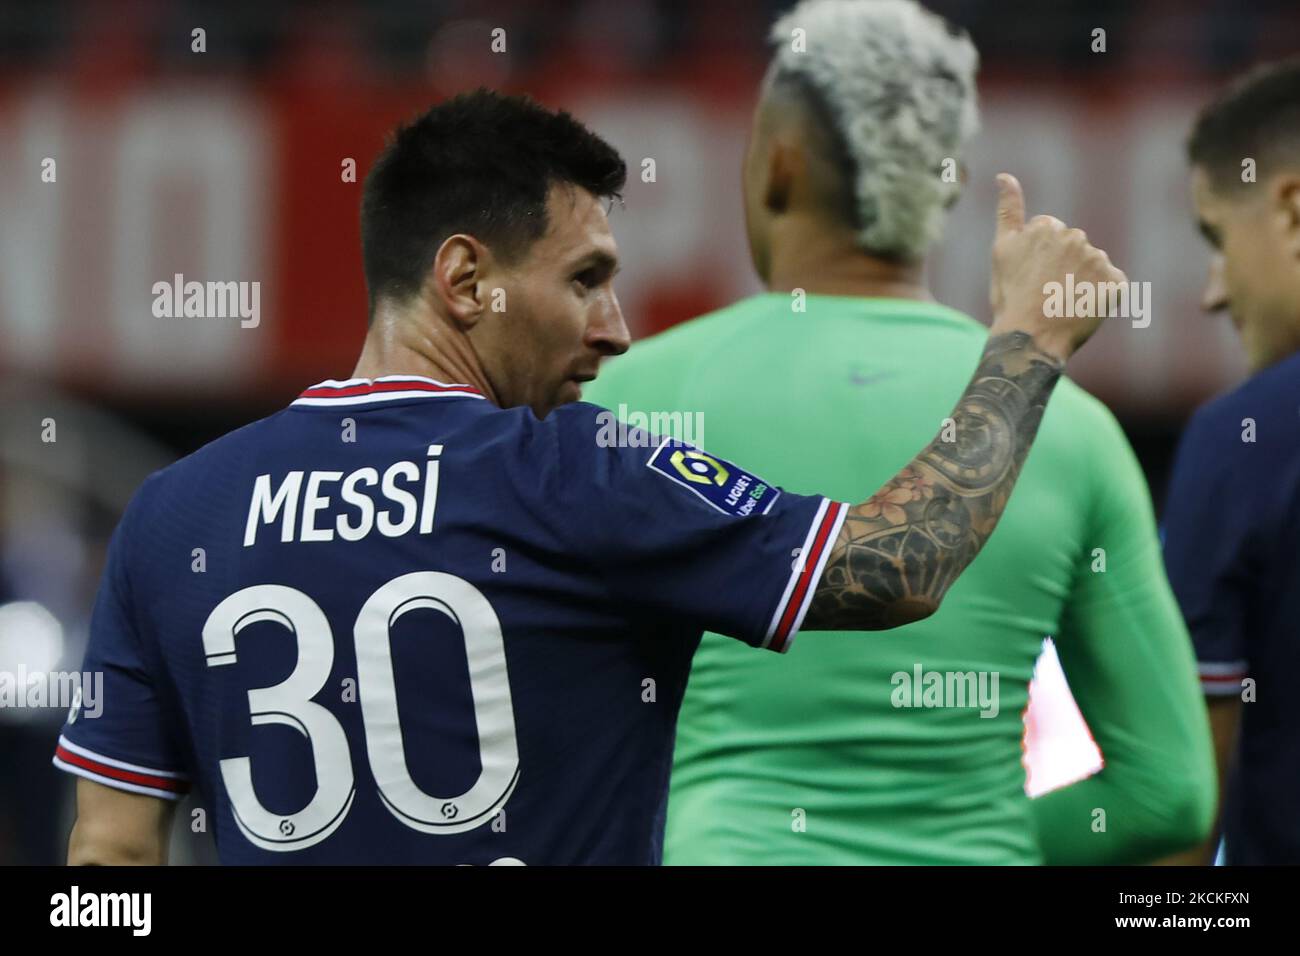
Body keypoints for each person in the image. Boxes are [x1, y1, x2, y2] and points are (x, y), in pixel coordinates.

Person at [54, 87, 1115, 865]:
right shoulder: (579, 471)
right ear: (465, 279)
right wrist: (1025, 345)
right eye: (586, 280)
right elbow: (898, 562)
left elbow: (105, 866)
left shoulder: (172, 511)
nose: (613, 330)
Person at [584, 0, 1213, 865]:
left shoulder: (625, 397)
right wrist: (962, 842)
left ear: (779, 165)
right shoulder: (1070, 424)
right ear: (946, 186)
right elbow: (1167, 794)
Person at [1162, 56, 1300, 865]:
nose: (1213, 291)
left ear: (1290, 209)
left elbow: (1182, 807)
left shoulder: (1241, 442)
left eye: (1217, 238)